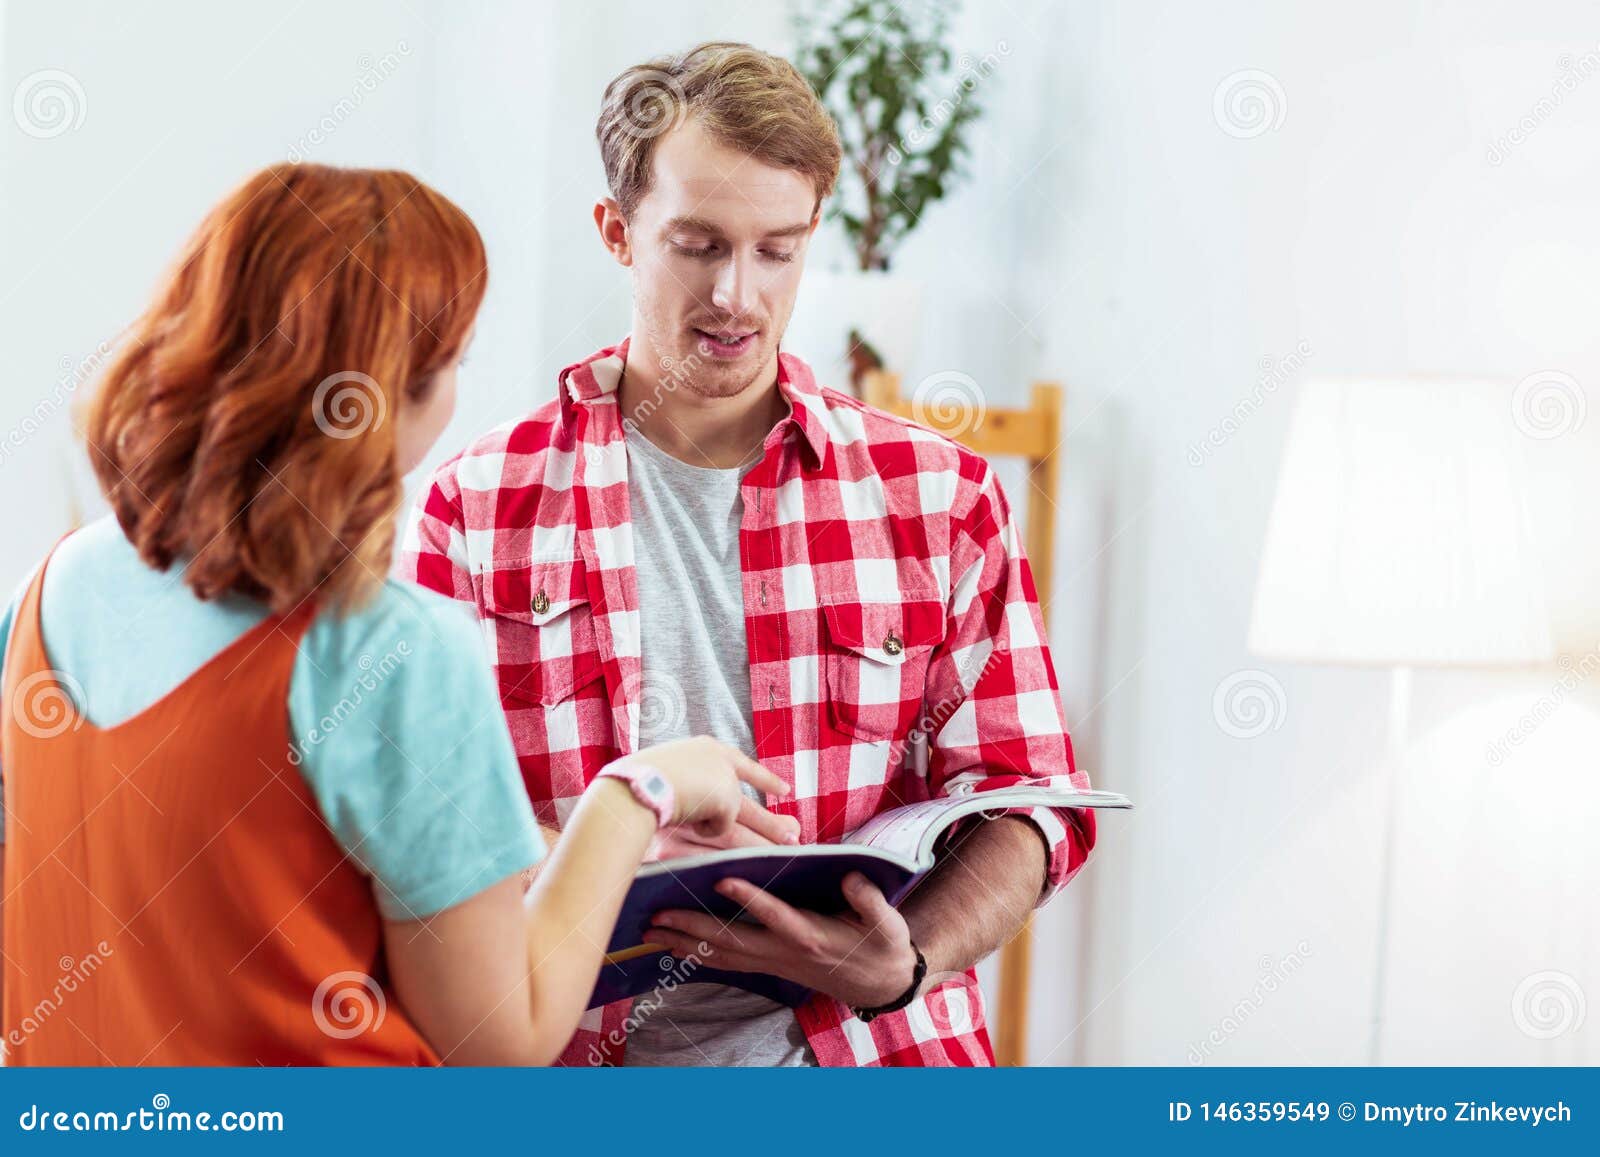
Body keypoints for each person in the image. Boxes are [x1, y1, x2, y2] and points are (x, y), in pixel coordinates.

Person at [400, 42, 1098, 1068]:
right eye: (697, 244)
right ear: (617, 233)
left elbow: (1029, 796)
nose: (738, 294)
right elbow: (429, 835)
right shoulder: (477, 502)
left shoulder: (940, 493)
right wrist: (605, 846)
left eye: (777, 249)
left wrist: (904, 959)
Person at [0, 162, 791, 1066]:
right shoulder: (392, 648)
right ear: (394, 390)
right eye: (452, 359)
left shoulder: (46, 589)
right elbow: (505, 1038)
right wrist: (635, 795)